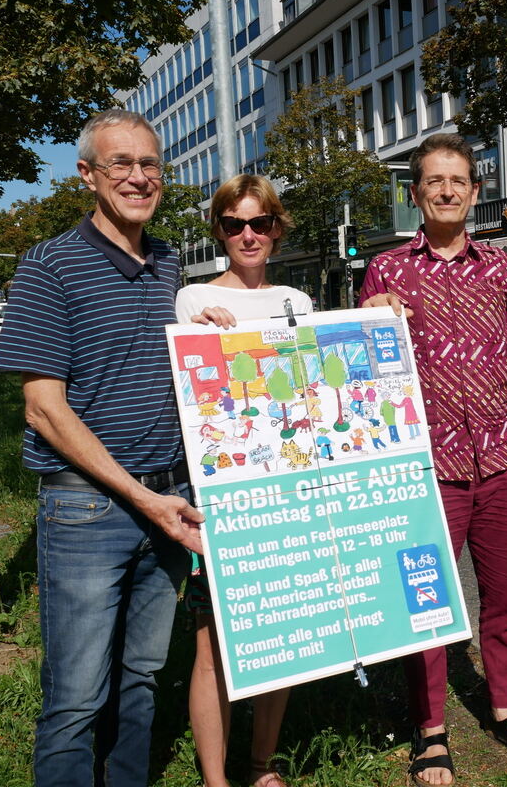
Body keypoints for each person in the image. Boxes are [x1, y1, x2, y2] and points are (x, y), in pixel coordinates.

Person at [0, 109, 204, 787]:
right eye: (121, 164)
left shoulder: (170, 262)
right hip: (89, 511)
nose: (139, 177)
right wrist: (143, 497)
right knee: (77, 697)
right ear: (87, 175)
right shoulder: (50, 265)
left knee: (141, 678)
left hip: (168, 499)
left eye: (150, 164)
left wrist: (214, 329)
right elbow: (43, 409)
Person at [359, 133, 507, 787]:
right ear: (414, 193)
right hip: (426, 467)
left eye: (458, 180)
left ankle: (502, 707)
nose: (446, 190)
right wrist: (367, 320)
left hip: (502, 456)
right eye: (433, 180)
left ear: (474, 192)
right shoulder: (387, 269)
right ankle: (432, 729)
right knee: (427, 604)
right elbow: (361, 371)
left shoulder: (500, 266)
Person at [175, 173, 314, 787]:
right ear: (220, 232)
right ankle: (215, 779)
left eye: (260, 223)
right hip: (223, 498)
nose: (248, 234)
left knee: (281, 632)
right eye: (235, 224)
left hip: (290, 493)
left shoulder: (298, 303)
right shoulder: (191, 300)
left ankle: (263, 763)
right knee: (212, 646)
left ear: (277, 229)